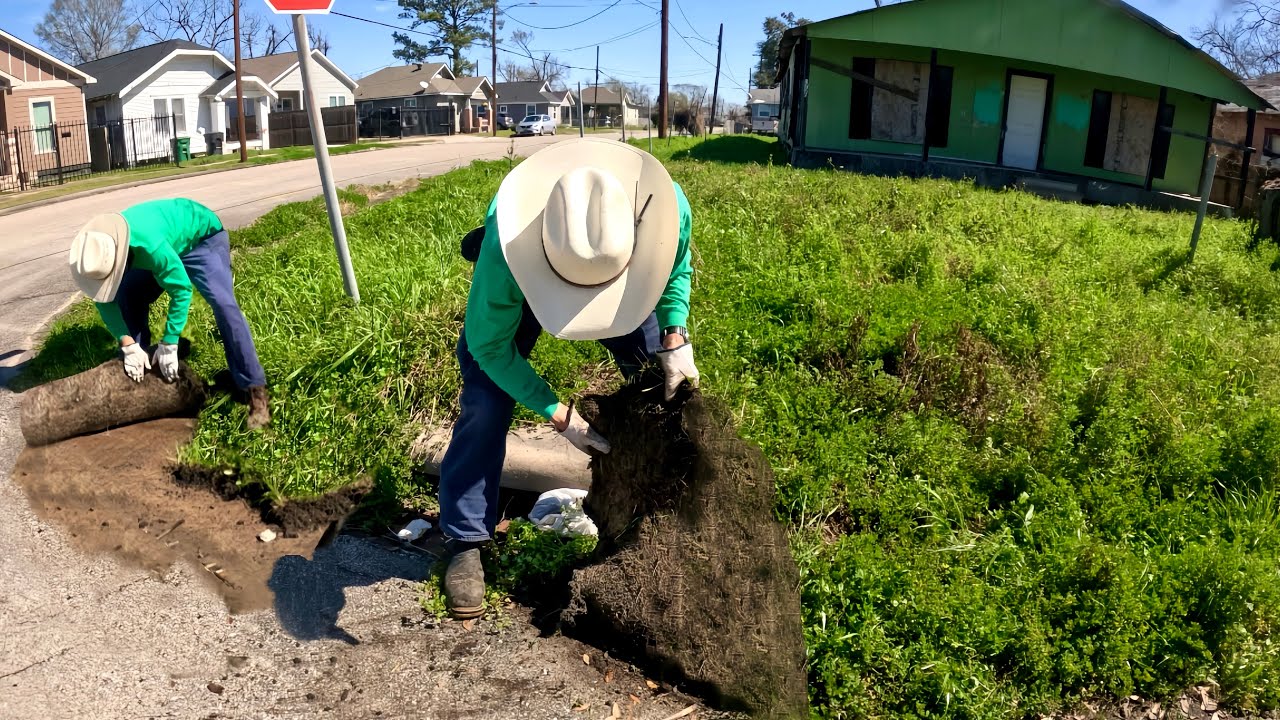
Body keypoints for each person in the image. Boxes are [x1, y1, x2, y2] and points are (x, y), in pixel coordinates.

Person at [440, 138, 700, 618]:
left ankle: (653, 513)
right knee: (485, 398)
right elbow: (490, 347)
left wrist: (673, 337)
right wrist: (561, 417)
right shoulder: (506, 250)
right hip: (528, 274)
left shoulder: (663, 208)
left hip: (624, 276)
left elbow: (675, 266)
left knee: (658, 386)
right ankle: (465, 536)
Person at [68, 198, 270, 429]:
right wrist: (128, 344)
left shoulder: (148, 246)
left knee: (224, 305)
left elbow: (181, 289)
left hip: (200, 238)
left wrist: (170, 342)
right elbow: (105, 301)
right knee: (127, 296)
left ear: (122, 259)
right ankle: (138, 385)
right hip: (164, 243)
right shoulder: (94, 255)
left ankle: (255, 390)